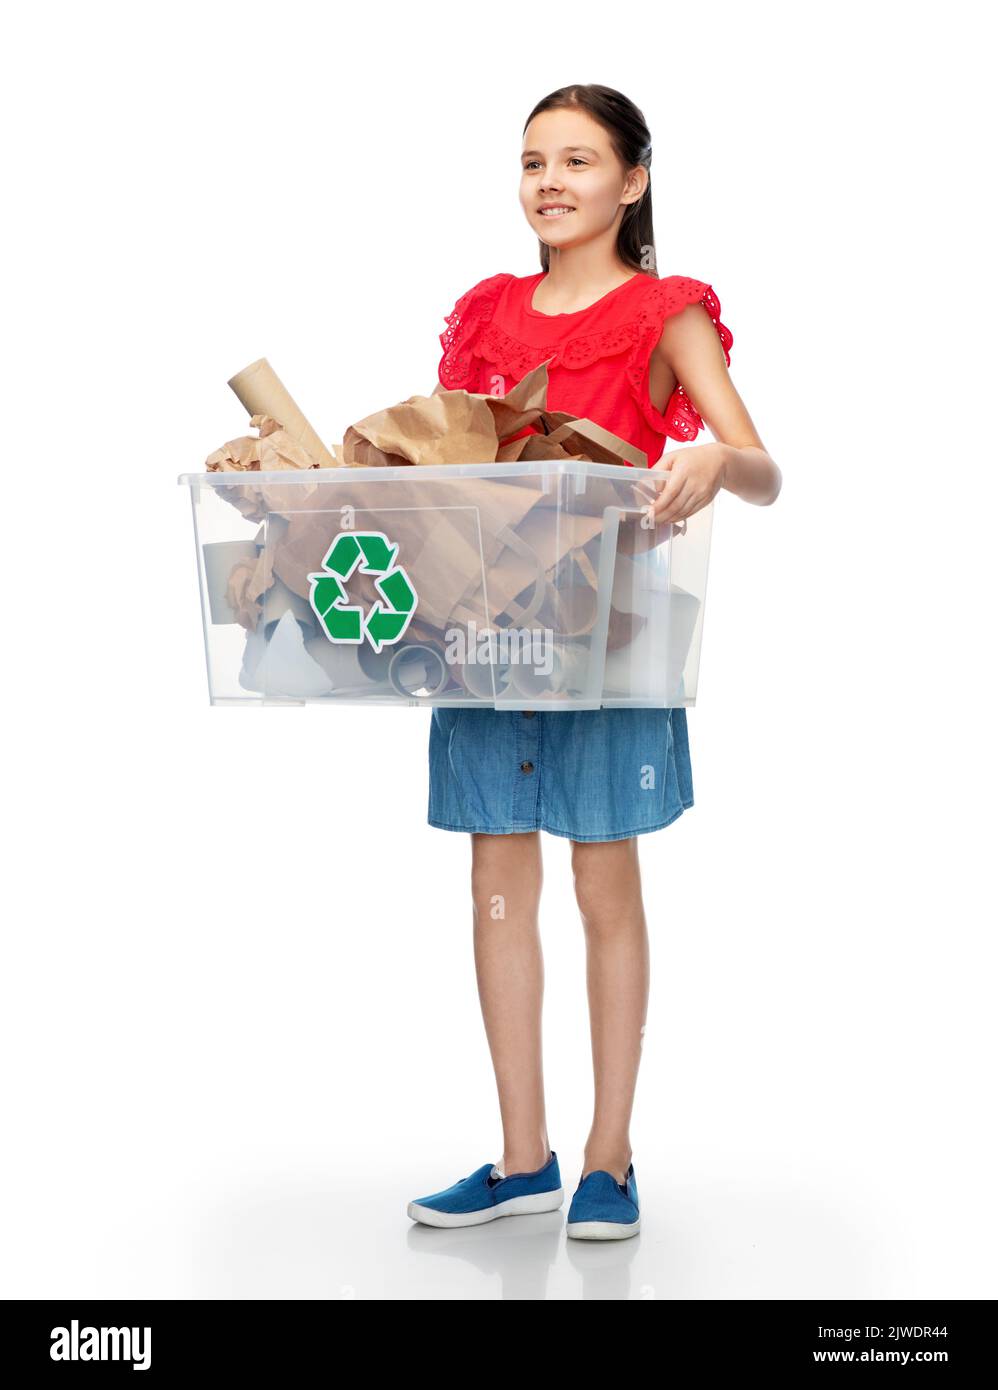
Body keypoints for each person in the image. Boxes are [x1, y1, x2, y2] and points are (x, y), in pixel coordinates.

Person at [408, 84, 782, 1240]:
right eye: (533, 161)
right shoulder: (484, 311)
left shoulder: (665, 312)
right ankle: (523, 1156)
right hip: (485, 631)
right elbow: (445, 458)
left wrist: (715, 464)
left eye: (578, 159)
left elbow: (760, 465)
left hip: (613, 630)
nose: (550, 180)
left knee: (599, 880)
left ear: (631, 181)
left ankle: (609, 1155)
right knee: (496, 886)